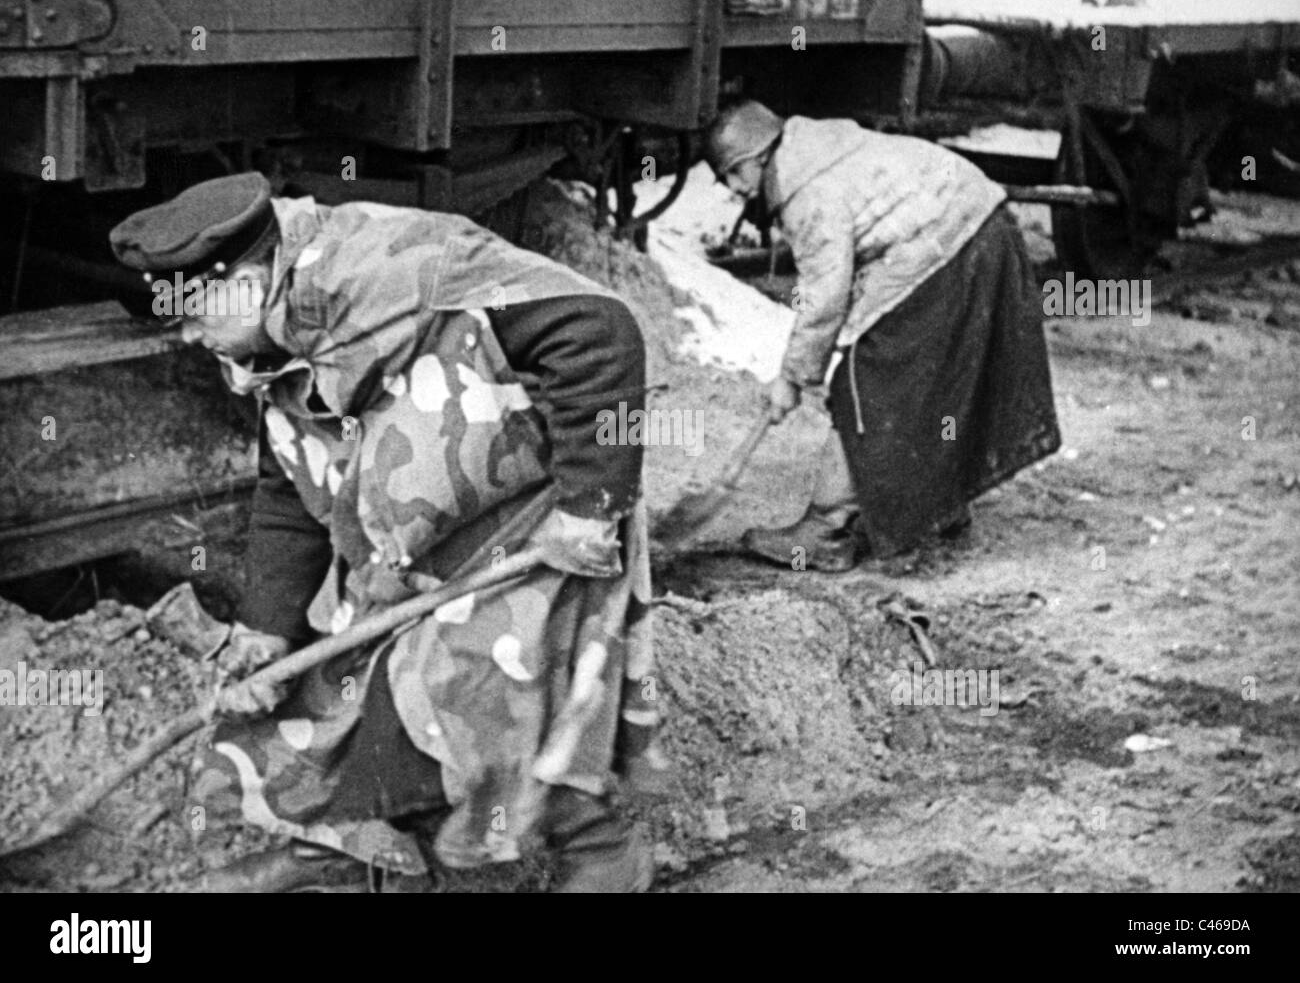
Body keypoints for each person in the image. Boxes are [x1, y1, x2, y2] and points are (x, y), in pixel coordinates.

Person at [109, 173, 666, 892]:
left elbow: (600, 329)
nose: (186, 334)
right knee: (345, 684)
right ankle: (346, 847)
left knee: (488, 689)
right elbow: (289, 481)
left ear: (246, 278)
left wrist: (591, 506)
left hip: (531, 513)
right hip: (413, 534)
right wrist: (267, 626)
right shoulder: (267, 335)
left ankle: (602, 853)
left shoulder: (395, 272)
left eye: (191, 312)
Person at [703, 100, 1061, 570]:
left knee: (865, 385)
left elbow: (823, 296)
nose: (734, 188)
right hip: (980, 227)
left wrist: (792, 376)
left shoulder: (807, 191)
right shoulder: (816, 150)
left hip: (949, 242)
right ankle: (937, 506)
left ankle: (826, 528)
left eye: (733, 172)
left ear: (757, 157)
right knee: (932, 381)